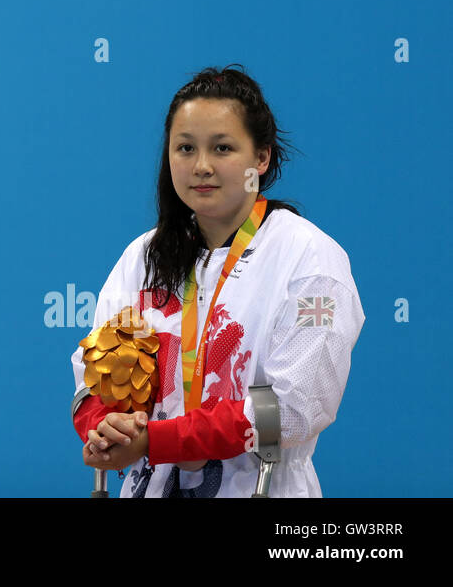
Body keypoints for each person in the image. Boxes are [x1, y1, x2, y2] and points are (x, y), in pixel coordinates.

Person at [69, 65, 363, 497]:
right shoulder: (142, 258)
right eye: (185, 148)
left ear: (261, 157)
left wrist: (160, 440)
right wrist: (103, 429)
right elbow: (92, 384)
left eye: (222, 148)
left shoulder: (308, 259)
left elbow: (293, 409)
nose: (201, 166)